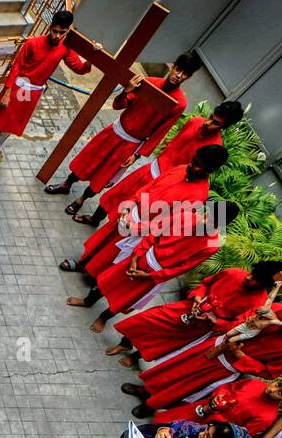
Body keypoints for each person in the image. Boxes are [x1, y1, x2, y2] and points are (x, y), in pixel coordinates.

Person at [66, 157, 232, 333]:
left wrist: (152, 276)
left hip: (155, 273)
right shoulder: (188, 217)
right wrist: (136, 256)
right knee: (109, 279)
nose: (204, 220)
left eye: (210, 221)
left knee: (127, 298)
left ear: (219, 225)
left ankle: (104, 317)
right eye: (206, 215)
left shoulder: (211, 245)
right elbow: (155, 234)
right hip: (143, 255)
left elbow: (182, 267)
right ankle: (88, 300)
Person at [46, 51, 201, 214]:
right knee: (88, 159)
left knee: (105, 174)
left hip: (131, 144)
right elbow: (119, 105)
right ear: (173, 67)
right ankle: (66, 184)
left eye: (184, 74)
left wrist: (137, 155)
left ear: (188, 77)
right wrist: (127, 90)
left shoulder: (179, 103)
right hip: (115, 131)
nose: (179, 75)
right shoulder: (149, 82)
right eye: (178, 70)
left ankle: (81, 199)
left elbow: (161, 132)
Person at [130, 301, 282, 416]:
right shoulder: (274, 309)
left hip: (226, 365)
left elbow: (269, 371)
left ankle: (152, 405)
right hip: (216, 344)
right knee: (174, 368)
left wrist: (239, 354)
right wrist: (240, 326)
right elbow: (239, 320)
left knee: (184, 385)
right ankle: (146, 389)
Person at [85, 100, 244, 229]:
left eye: (215, 123)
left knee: (135, 211)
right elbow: (172, 143)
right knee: (118, 193)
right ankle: (95, 219)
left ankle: (110, 232)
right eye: (210, 117)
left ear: (225, 127)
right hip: (153, 168)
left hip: (166, 182)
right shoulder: (195, 121)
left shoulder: (214, 148)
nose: (207, 123)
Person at [107, 262, 282, 369]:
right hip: (187, 307)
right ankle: (124, 344)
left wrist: (215, 321)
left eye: (255, 279)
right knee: (147, 321)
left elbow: (236, 326)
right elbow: (206, 283)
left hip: (201, 326)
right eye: (251, 273)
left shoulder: (258, 304)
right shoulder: (234, 273)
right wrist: (198, 296)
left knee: (163, 343)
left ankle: (135, 356)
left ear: (264, 285)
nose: (248, 278)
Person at [0, 9, 92, 163]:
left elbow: (79, 69)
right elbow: (16, 67)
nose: (57, 36)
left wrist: (92, 57)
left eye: (62, 32)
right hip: (18, 87)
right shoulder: (32, 43)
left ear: (67, 31)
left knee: (13, 122)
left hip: (32, 92)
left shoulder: (65, 49)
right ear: (50, 27)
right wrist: (7, 92)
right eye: (55, 31)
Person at [154, 373, 282, 434]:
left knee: (170, 435)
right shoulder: (255, 384)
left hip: (205, 429)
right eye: (277, 385)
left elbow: (236, 433)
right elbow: (228, 388)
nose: (272, 390)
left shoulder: (267, 417)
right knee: (165, 421)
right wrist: (219, 395)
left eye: (280, 393)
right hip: (199, 409)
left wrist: (217, 414)